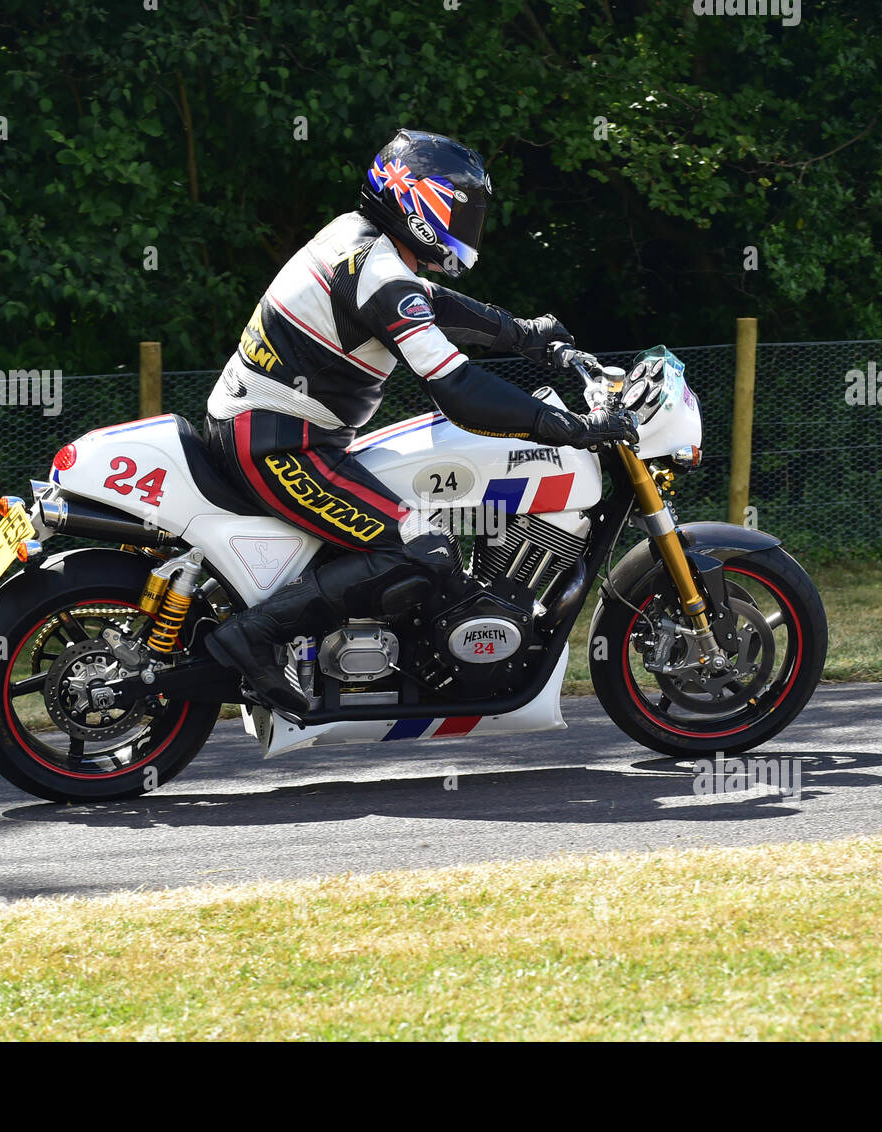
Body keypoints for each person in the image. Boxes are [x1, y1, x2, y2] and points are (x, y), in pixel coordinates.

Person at [203, 128, 637, 715]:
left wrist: (525, 334)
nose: (467, 222)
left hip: (273, 431)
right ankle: (253, 639)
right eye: (460, 208)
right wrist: (566, 426)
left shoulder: (359, 242)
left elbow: (430, 304)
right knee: (423, 548)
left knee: (403, 532)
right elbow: (458, 390)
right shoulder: (376, 270)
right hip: (279, 446)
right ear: (418, 202)